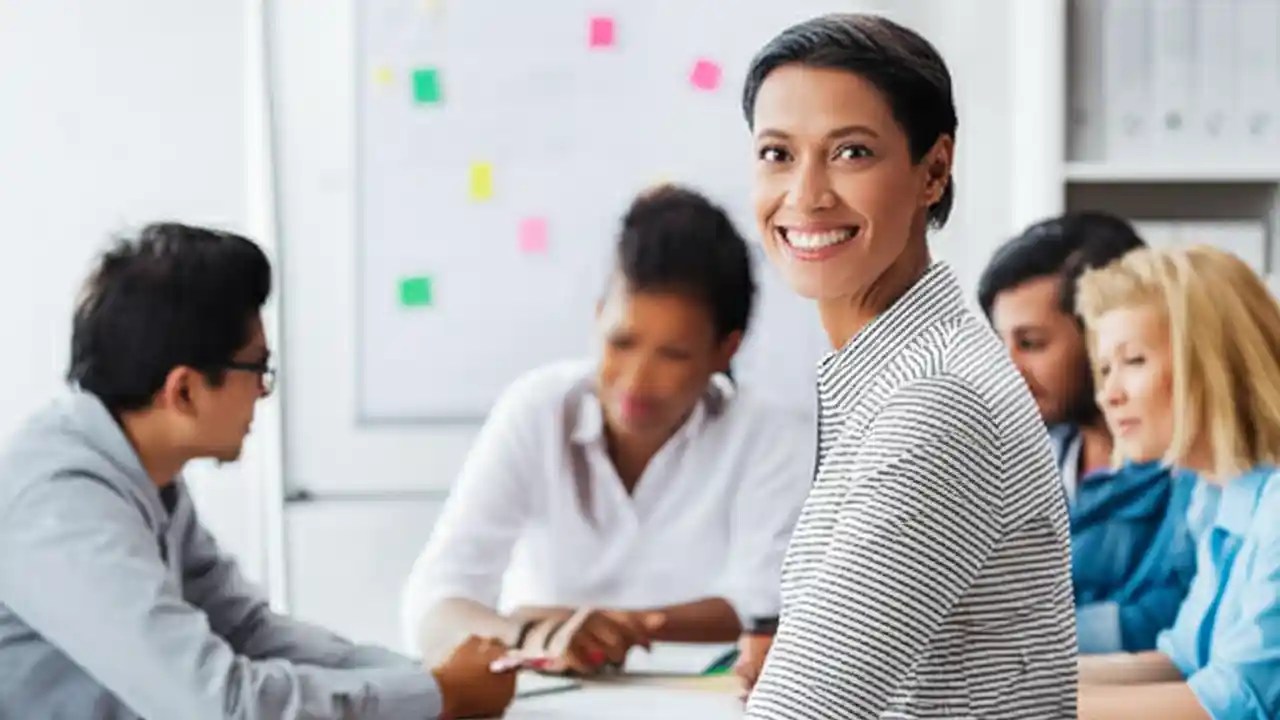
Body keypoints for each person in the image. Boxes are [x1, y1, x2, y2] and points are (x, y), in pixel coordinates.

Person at [0, 224, 514, 720]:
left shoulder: (145, 474)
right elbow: (222, 706)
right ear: (183, 391)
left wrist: (427, 678)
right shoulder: (59, 505)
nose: (263, 394)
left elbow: (247, 631)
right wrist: (436, 694)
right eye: (258, 371)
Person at [738, 14, 1077, 718]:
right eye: (777, 153)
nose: (806, 195)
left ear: (933, 171)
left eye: (852, 153)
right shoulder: (904, 367)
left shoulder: (937, 403)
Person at [401, 185, 812, 678]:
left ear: (725, 350)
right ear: (598, 317)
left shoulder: (769, 435)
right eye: (621, 341)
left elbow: (767, 606)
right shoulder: (538, 410)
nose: (637, 381)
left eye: (674, 355)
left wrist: (627, 625)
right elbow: (435, 602)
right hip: (543, 697)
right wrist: (538, 636)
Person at [1076, 245, 1280, 720]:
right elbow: (1181, 660)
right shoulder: (1217, 499)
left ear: (1210, 362)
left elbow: (1237, 701)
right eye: (1105, 369)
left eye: (1134, 361)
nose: (1109, 393)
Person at [978, 213, 1196, 653]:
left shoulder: (1194, 471)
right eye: (1000, 344)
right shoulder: (1025, 460)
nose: (1006, 368)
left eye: (1032, 343)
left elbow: (1174, 623)